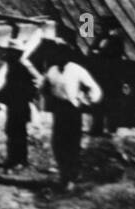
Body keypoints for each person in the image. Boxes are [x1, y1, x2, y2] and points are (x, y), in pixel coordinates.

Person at [44, 41, 103, 191]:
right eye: (55, 53)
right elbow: (44, 86)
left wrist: (87, 101)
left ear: (67, 55)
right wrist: (48, 94)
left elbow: (95, 89)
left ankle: (71, 177)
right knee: (58, 144)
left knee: (71, 144)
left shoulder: (76, 70)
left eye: (60, 53)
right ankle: (64, 176)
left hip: (73, 110)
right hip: (59, 110)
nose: (57, 56)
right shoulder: (52, 70)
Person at [0, 38, 42, 171]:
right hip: (13, 102)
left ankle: (20, 160)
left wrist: (29, 95)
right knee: (12, 130)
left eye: (10, 51)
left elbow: (38, 80)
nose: (7, 54)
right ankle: (13, 157)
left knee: (18, 132)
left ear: (16, 52)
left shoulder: (24, 65)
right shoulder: (13, 63)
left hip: (21, 103)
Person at [88, 15, 125, 135]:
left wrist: (98, 52)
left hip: (105, 76)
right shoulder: (114, 40)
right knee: (107, 103)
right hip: (108, 77)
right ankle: (106, 128)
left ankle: (104, 128)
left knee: (102, 103)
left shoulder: (111, 40)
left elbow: (94, 54)